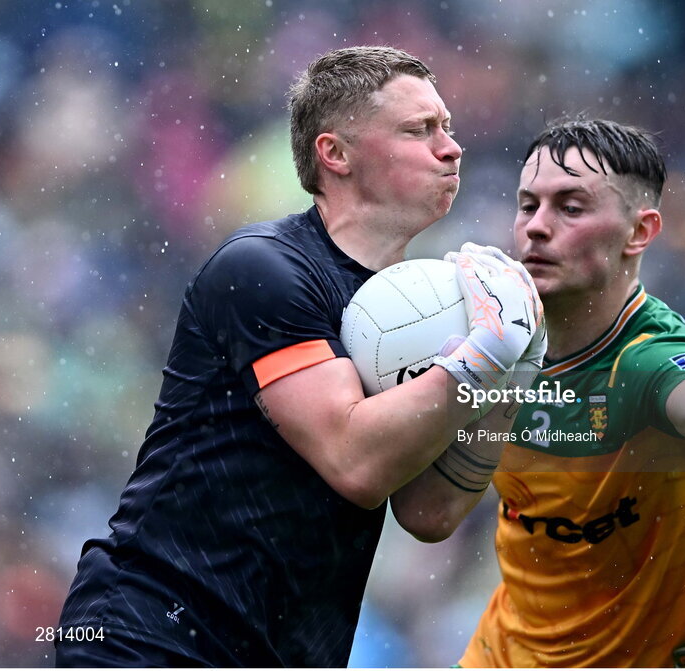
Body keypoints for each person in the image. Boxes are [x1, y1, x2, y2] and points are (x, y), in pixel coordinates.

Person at [55, 46, 544, 667]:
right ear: (334, 153)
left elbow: (429, 512)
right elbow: (355, 461)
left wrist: (510, 377)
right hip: (153, 634)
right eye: (420, 129)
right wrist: (484, 355)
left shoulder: (422, 303)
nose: (451, 148)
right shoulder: (264, 267)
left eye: (447, 128)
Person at [459, 118, 685, 667]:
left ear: (640, 232)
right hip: (504, 656)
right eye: (527, 205)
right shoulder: (493, 338)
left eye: (571, 207)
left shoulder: (648, 358)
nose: (537, 227)